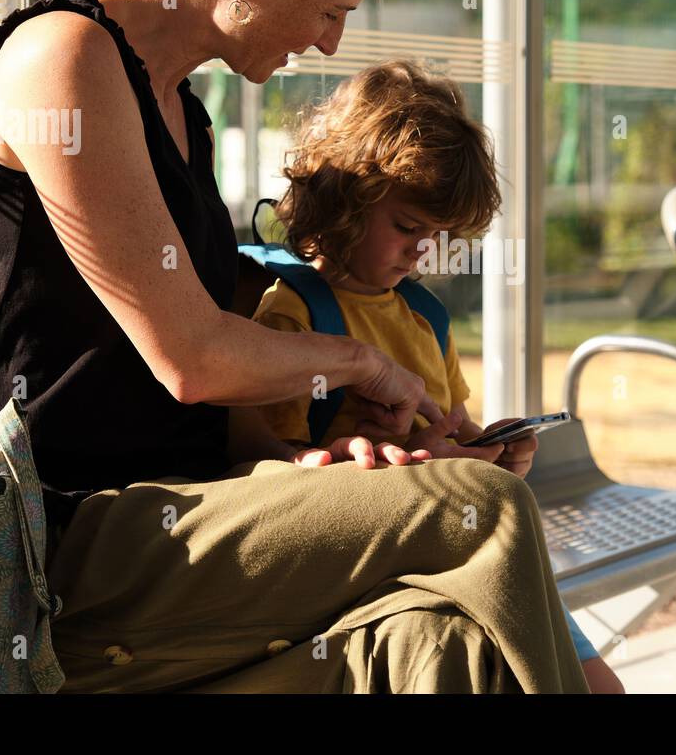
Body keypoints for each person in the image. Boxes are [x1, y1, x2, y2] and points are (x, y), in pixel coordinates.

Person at [0, 0, 588, 693]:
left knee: (444, 648)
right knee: (482, 511)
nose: (327, 43)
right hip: (51, 547)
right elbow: (191, 359)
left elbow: (182, 404)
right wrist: (364, 365)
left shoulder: (180, 110)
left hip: (179, 518)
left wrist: (317, 463)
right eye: (330, 9)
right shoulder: (65, 58)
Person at [248, 61, 627, 693]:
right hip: (379, 562)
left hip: (463, 542)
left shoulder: (423, 316)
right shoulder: (294, 314)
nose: (423, 252)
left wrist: (497, 455)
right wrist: (349, 455)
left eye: (437, 236)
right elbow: (274, 466)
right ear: (346, 201)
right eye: (406, 228)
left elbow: (451, 429)